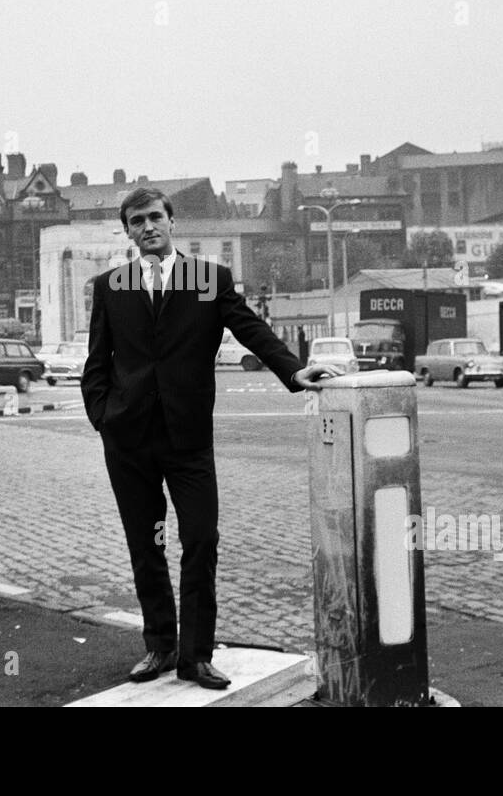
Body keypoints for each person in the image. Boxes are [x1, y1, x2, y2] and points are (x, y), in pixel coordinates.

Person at [81, 188, 343, 690]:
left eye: (155, 217)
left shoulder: (207, 279)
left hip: (188, 439)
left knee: (200, 540)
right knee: (146, 543)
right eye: (136, 222)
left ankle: (196, 656)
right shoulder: (111, 286)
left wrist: (294, 370)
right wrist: (103, 417)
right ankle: (160, 644)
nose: (147, 227)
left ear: (172, 222)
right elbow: (97, 362)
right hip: (129, 439)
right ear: (128, 231)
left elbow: (251, 329)